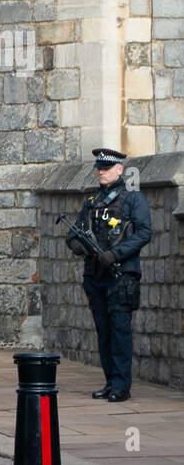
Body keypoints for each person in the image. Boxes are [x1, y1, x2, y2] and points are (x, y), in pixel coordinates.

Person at [66, 148, 152, 402]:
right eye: (99, 168)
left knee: (120, 331)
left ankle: (121, 385)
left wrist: (116, 254)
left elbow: (144, 232)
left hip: (121, 274)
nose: (101, 172)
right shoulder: (92, 202)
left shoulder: (133, 199)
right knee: (103, 331)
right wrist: (77, 246)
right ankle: (109, 381)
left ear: (119, 169)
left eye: (105, 168)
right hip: (95, 275)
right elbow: (73, 234)